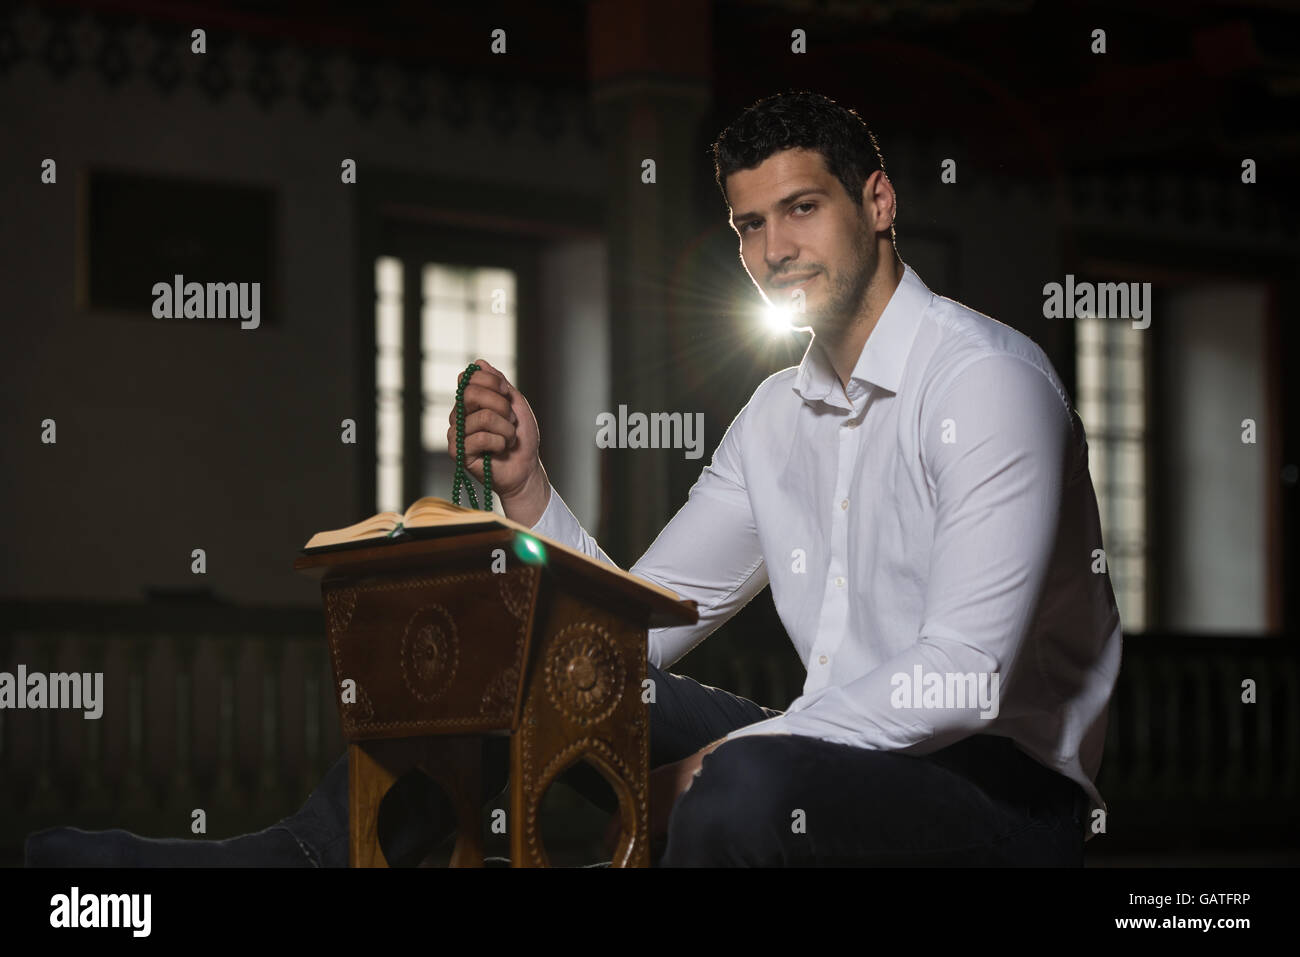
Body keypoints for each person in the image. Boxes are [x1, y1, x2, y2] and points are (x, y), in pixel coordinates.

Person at [26, 90, 1120, 868]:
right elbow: (633, 633)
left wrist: (739, 749)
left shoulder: (983, 386)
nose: (775, 246)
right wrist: (531, 488)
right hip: (831, 753)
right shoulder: (778, 415)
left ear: (877, 203)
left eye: (803, 208)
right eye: (749, 223)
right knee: (529, 674)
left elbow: (961, 680)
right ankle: (295, 861)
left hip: (1000, 796)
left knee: (741, 790)